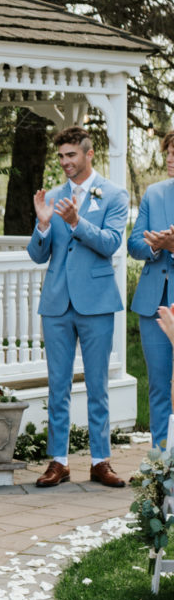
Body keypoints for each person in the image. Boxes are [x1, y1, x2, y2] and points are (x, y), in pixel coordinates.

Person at [28, 126, 129, 489]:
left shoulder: (115, 195)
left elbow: (112, 244)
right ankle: (59, 461)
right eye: (61, 156)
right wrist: (42, 225)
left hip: (97, 303)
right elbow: (39, 255)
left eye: (71, 155)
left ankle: (101, 460)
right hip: (56, 303)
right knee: (58, 384)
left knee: (98, 384)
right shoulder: (52, 197)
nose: (65, 162)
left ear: (89, 154)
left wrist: (76, 221)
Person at [128, 129, 174, 447]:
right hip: (153, 302)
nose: (170, 159)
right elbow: (133, 243)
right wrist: (157, 247)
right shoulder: (154, 193)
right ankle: (160, 463)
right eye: (168, 152)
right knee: (158, 384)